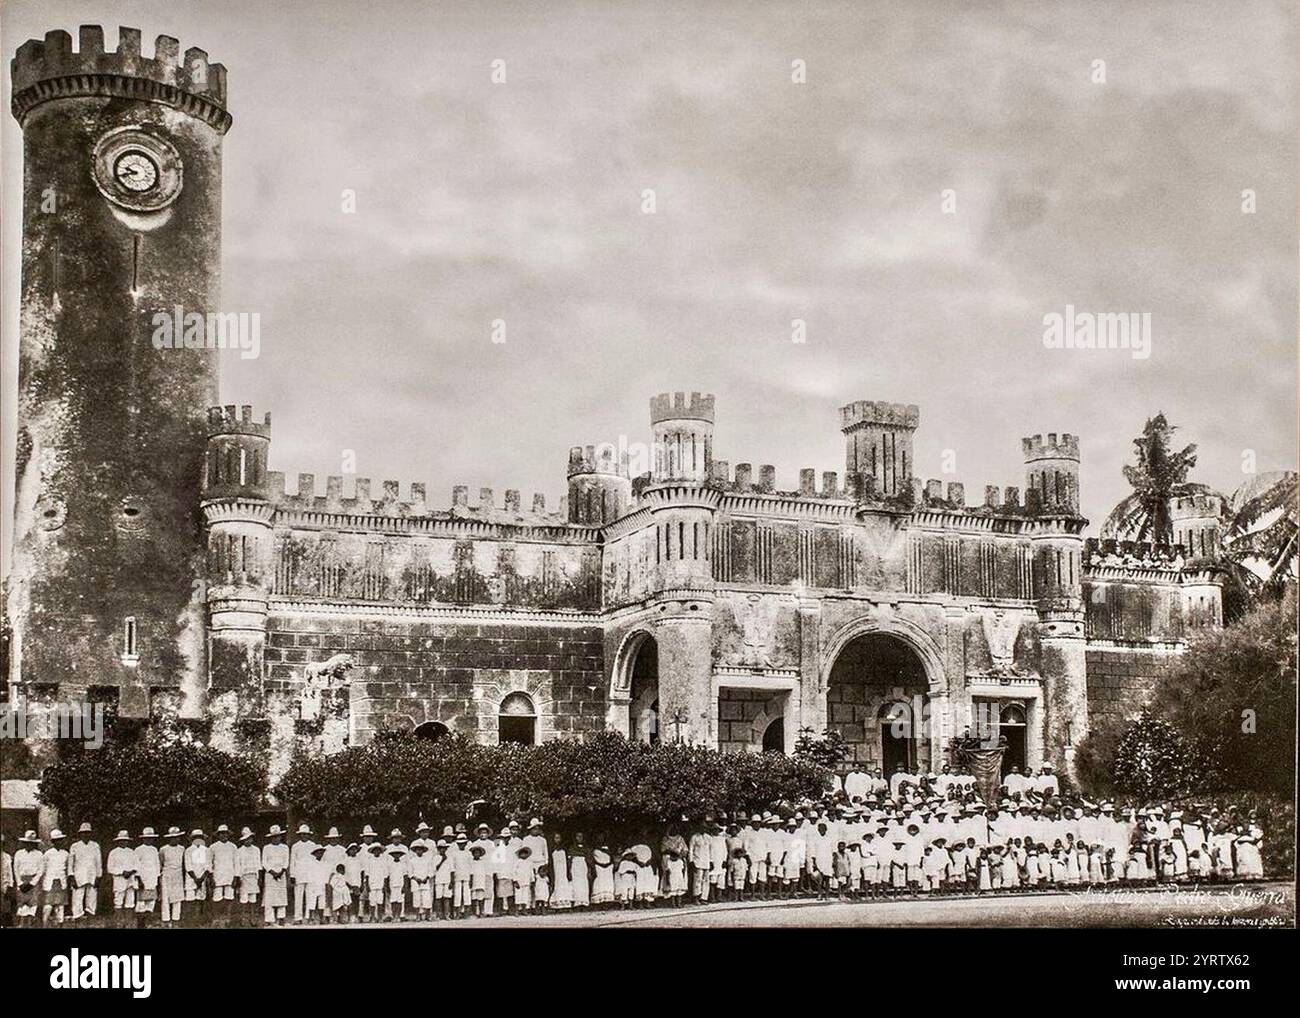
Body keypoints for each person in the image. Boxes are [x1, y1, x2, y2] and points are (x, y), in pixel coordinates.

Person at [67, 823, 102, 924]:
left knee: (92, 898)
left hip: (92, 875)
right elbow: (71, 863)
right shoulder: (75, 846)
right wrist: (71, 877)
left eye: (88, 833)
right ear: (80, 834)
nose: (86, 835)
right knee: (77, 898)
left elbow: (98, 862)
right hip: (79, 876)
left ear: (90, 834)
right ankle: (78, 919)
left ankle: (90, 919)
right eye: (83, 833)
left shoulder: (95, 846)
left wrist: (98, 876)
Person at [289, 823, 318, 924]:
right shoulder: (295, 846)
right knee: (298, 897)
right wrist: (292, 875)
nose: (304, 836)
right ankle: (298, 918)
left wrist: (315, 874)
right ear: (299, 835)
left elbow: (315, 861)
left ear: (309, 835)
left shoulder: (313, 845)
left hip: (310, 874)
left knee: (310, 897)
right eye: (302, 834)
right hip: (299, 875)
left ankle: (309, 917)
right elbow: (292, 861)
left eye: (306, 834)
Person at [106, 831, 137, 923]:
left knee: (130, 901)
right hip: (119, 879)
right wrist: (122, 872)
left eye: (125, 840)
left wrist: (131, 871)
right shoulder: (113, 853)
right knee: (118, 901)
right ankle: (119, 921)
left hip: (130, 879)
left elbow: (137, 865)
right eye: (121, 840)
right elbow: (110, 868)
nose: (123, 842)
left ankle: (128, 922)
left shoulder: (132, 852)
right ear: (118, 841)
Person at [261, 825, 290, 926]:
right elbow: (264, 862)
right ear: (270, 838)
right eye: (274, 837)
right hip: (270, 875)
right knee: (269, 897)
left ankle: (281, 917)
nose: (276, 838)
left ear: (280, 837)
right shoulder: (266, 848)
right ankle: (269, 919)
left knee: (281, 895)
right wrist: (272, 872)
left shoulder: (285, 847)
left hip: (281, 874)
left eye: (278, 836)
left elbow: (286, 860)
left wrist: (281, 871)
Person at [210, 825, 238, 924]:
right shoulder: (213, 847)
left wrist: (235, 877)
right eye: (221, 833)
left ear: (228, 834)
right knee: (217, 897)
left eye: (225, 833)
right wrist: (211, 877)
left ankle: (227, 917)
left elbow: (236, 863)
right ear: (218, 835)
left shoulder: (233, 847)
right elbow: (209, 863)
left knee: (229, 897)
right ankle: (216, 918)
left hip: (230, 875)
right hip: (218, 875)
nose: (223, 835)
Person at [183, 829, 212, 924]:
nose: (198, 839)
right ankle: (190, 920)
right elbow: (188, 866)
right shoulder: (188, 850)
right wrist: (196, 879)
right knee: (190, 899)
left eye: (200, 838)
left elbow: (208, 866)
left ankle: (200, 918)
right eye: (196, 838)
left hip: (202, 878)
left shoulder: (206, 850)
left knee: (201, 899)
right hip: (191, 878)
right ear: (192, 839)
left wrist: (202, 878)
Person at [159, 827, 186, 926]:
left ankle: (176, 919)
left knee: (177, 898)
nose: (175, 839)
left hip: (178, 875)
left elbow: (183, 863)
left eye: (177, 837)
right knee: (166, 898)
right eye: (173, 838)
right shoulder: (163, 849)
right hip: (167, 875)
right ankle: (166, 920)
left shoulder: (182, 848)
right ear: (169, 838)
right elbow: (161, 864)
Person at [42, 829, 69, 925]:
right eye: (56, 840)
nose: (59, 842)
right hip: (50, 881)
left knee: (60, 905)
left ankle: (60, 923)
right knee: (48, 904)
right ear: (53, 842)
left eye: (60, 840)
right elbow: (43, 869)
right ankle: (45, 923)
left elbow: (67, 868)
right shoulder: (48, 854)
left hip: (61, 881)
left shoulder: (65, 854)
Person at [135, 828, 161, 926]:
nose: (149, 840)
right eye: (147, 838)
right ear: (143, 839)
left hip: (152, 879)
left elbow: (157, 865)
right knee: (141, 902)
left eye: (151, 838)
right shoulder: (138, 850)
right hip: (143, 879)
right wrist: (139, 880)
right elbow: (136, 865)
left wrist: (158, 880)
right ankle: (140, 923)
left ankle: (146, 921)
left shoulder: (154, 850)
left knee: (151, 902)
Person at [236, 828, 262, 926]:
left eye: (250, 838)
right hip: (244, 877)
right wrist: (238, 877)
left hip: (253, 876)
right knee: (244, 898)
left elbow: (258, 864)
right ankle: (244, 918)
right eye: (246, 839)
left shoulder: (256, 850)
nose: (248, 841)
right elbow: (238, 865)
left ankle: (253, 917)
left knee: (253, 898)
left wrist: (259, 877)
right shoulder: (239, 851)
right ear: (243, 840)